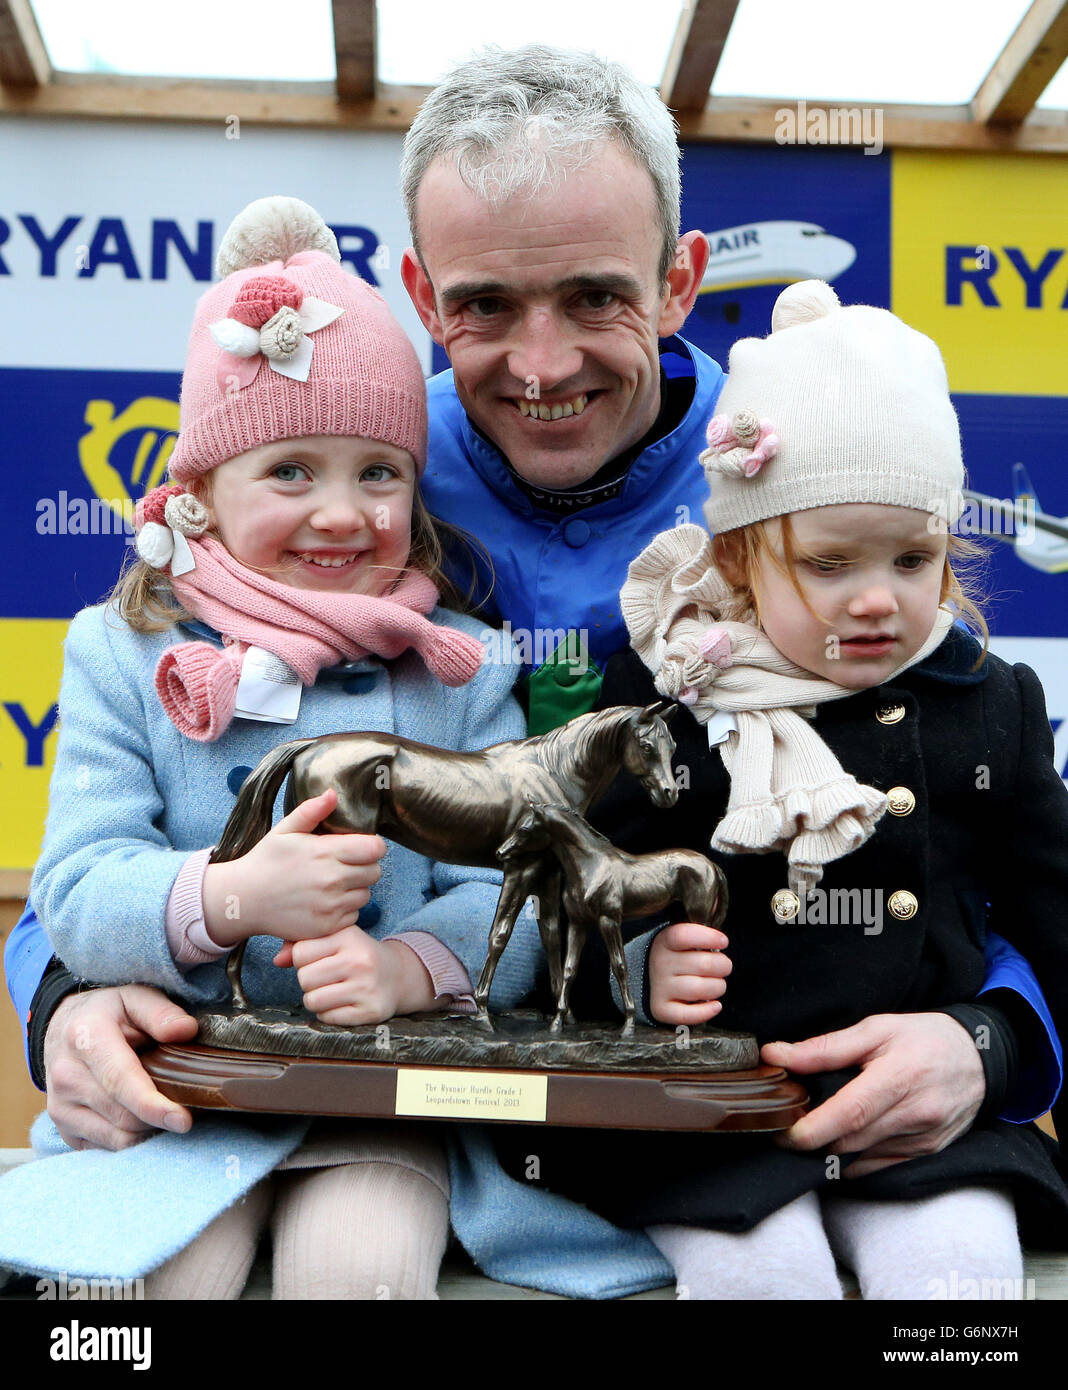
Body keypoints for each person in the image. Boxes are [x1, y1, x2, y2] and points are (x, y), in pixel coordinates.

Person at [4, 45, 1059, 1231]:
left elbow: (990, 811)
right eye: (487, 305)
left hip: (738, 1131)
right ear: (419, 294)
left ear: (678, 282)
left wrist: (995, 1037)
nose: (543, 364)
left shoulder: (802, 474)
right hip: (408, 1137)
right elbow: (139, 786)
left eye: (597, 296)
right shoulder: (349, 461)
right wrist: (60, 1002)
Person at [463, 280, 1068, 1298]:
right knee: (763, 1282)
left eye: (914, 557)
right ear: (742, 555)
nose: (878, 598)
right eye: (830, 564)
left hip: (922, 1125)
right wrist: (643, 966)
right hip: (712, 1116)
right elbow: (573, 885)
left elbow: (1055, 910)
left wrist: (1000, 1046)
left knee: (962, 1282)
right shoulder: (668, 698)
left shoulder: (986, 701)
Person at [0, 195, 541, 1299]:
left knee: (358, 1270)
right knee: (159, 1282)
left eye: (378, 473)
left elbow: (518, 890)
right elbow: (78, 886)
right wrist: (233, 896)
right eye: (292, 471)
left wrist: (403, 967)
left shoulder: (460, 663)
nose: (343, 513)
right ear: (198, 493)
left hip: (386, 1101)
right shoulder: (123, 648)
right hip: (189, 1094)